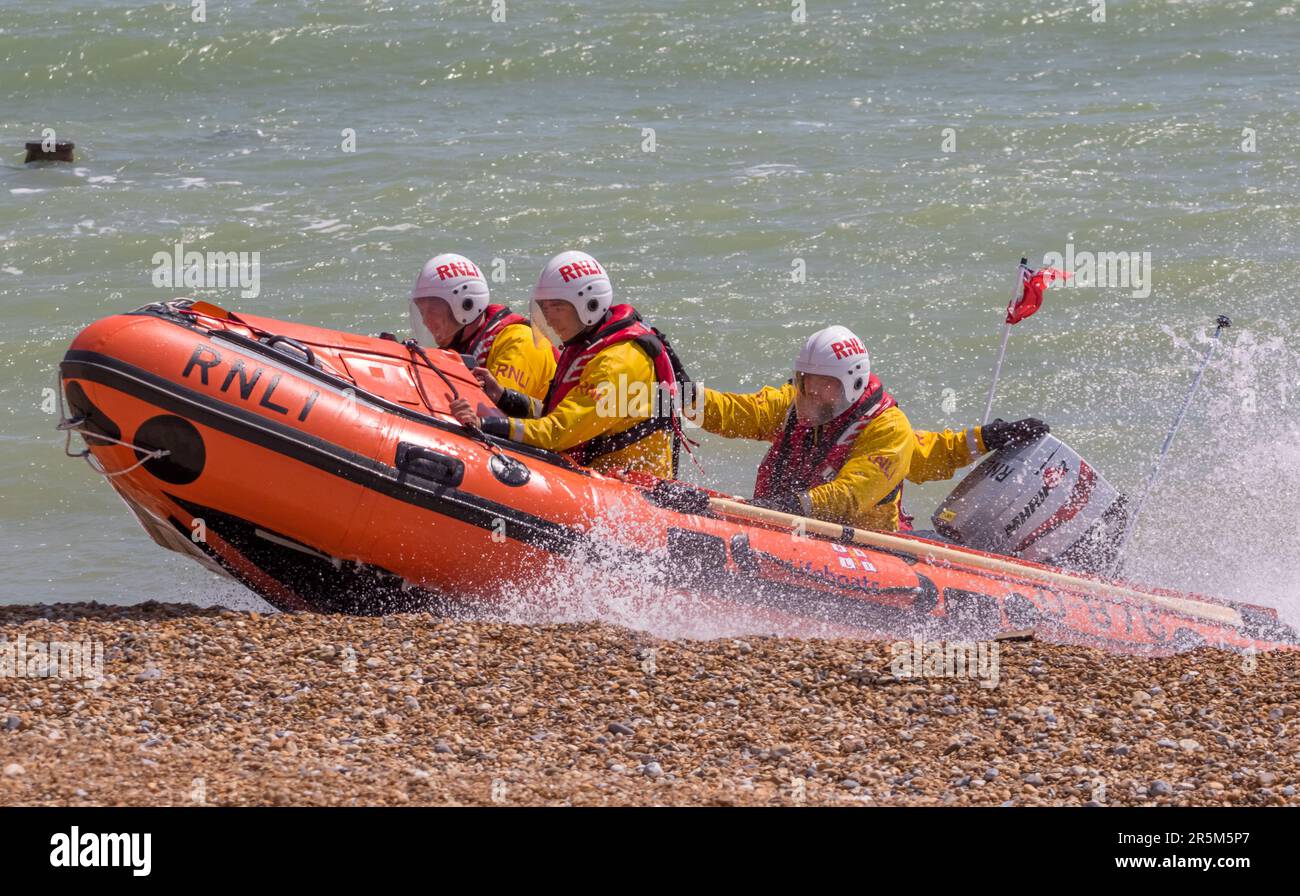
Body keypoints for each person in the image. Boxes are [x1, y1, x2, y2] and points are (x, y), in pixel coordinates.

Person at [451, 250, 685, 478]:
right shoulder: (586, 347)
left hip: (634, 489)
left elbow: (559, 431)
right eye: (544, 308)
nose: (550, 319)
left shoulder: (617, 363)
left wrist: (484, 424)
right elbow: (561, 413)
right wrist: (505, 397)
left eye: (558, 308)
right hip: (600, 477)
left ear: (590, 305)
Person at [695, 325, 916, 531]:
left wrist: (787, 506)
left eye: (824, 382)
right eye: (806, 379)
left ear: (854, 382)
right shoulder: (792, 405)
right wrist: (683, 395)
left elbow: (848, 496)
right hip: (789, 525)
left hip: (861, 543)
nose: (812, 390)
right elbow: (737, 412)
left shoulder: (889, 428)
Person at [409, 253, 555, 400]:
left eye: (433, 311)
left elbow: (501, 411)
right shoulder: (456, 349)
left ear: (466, 306)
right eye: (422, 312)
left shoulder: (520, 341)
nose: (425, 321)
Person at [908, 418, 1050, 483]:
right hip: (891, 537)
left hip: (898, 531)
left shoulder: (893, 427)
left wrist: (991, 436)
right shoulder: (888, 430)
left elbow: (942, 453)